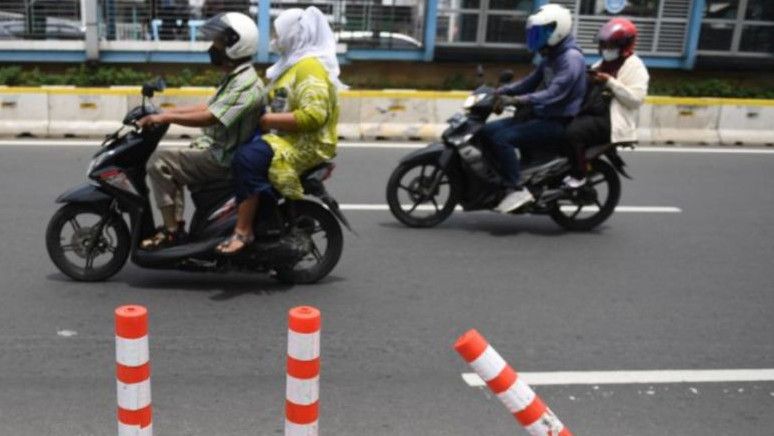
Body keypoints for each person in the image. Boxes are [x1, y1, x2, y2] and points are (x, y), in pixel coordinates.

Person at [215, 6, 343, 254]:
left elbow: (314, 115)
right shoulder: (291, 65)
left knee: (246, 159)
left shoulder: (309, 68)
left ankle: (243, 231)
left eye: (278, 32)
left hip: (306, 143)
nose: (274, 39)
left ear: (295, 35)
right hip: (286, 137)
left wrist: (269, 120)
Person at [137, 12, 263, 250]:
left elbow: (210, 116)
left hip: (222, 158)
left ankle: (172, 232)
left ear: (235, 46)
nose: (213, 47)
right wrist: (167, 112)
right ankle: (176, 224)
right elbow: (208, 106)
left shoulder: (247, 85)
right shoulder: (235, 77)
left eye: (219, 42)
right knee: (170, 160)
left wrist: (167, 116)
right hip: (215, 149)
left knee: (159, 162)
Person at [480, 4, 586, 213]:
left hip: (557, 122)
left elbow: (554, 93)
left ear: (558, 30)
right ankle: (500, 178)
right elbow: (530, 81)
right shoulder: (551, 56)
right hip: (541, 115)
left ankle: (516, 187)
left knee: (502, 138)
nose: (537, 37)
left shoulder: (570, 59)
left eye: (542, 32)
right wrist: (500, 92)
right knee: (486, 131)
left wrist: (519, 100)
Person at [563, 17, 649, 187]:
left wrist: (610, 81)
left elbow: (635, 100)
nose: (604, 49)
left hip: (611, 120)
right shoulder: (602, 63)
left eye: (609, 45)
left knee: (573, 131)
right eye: (603, 44)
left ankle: (579, 174)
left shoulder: (635, 67)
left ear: (624, 46)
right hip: (593, 112)